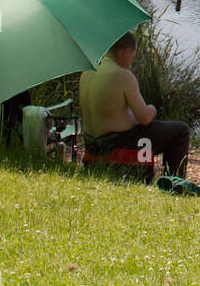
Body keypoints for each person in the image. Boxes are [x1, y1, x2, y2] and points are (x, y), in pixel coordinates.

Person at [78, 31, 190, 177]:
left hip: (92, 142)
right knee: (180, 131)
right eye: (132, 55)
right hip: (116, 142)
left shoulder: (87, 71)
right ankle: (174, 182)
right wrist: (152, 109)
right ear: (126, 52)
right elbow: (144, 118)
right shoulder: (122, 75)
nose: (131, 61)